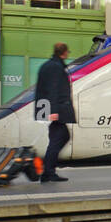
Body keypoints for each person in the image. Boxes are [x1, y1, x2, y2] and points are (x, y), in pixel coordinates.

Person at [34, 42, 75, 183]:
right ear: (64, 53)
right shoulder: (55, 67)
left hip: (50, 108)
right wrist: (54, 111)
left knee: (58, 138)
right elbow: (53, 89)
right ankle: (48, 172)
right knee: (60, 137)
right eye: (67, 52)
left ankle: (48, 171)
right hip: (55, 109)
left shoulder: (49, 65)